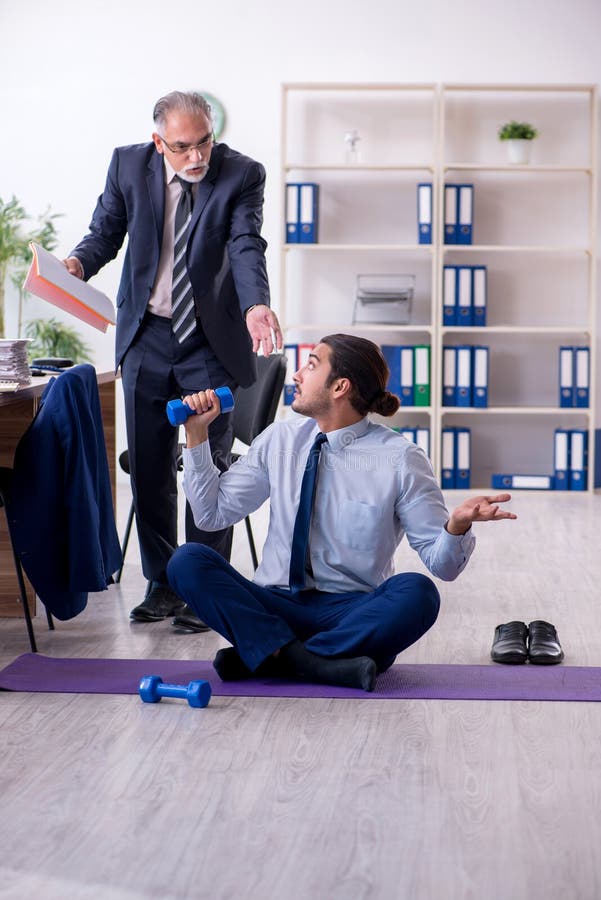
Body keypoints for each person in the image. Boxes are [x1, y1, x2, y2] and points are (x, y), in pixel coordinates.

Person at [167, 334, 517, 692]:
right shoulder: (279, 439)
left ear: (340, 386)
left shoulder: (400, 458)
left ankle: (270, 653)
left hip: (349, 612)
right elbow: (211, 515)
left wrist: (456, 526)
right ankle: (321, 664)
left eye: (312, 365)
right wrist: (196, 435)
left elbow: (442, 566)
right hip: (275, 603)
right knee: (188, 561)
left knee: (418, 593)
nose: (298, 375)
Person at [63, 90, 282, 631]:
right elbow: (104, 234)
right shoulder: (128, 165)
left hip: (208, 341)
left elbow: (245, 244)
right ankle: (163, 584)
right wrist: (74, 264)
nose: (197, 157)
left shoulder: (241, 174)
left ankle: (204, 586)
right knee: (152, 468)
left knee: (210, 464)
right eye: (182, 146)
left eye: (204, 141)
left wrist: (256, 304)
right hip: (146, 335)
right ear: (159, 142)